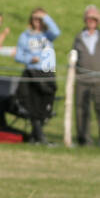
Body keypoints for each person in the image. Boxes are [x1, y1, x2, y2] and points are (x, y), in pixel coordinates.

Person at [15, 8, 61, 145]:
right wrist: (29, 58)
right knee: (33, 105)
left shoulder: (48, 35)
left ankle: (35, 136)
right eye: (36, 18)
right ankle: (39, 137)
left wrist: (45, 16)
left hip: (47, 72)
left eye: (40, 19)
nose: (38, 22)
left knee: (45, 104)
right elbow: (18, 56)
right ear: (31, 20)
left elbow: (57, 32)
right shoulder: (25, 36)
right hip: (32, 73)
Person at [72, 5, 100, 146]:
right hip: (82, 79)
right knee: (82, 110)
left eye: (94, 19)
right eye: (89, 18)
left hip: (99, 80)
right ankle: (84, 140)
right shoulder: (78, 38)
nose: (91, 21)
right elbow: (73, 58)